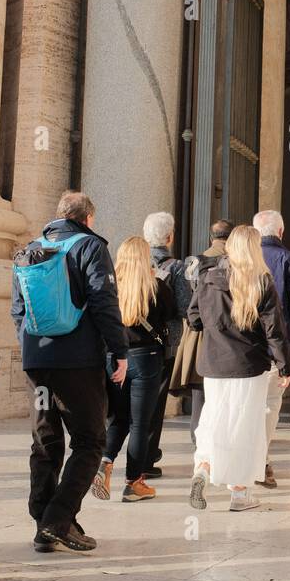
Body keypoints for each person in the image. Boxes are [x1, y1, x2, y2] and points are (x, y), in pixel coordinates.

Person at [12, 190, 128, 554]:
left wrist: (32, 346)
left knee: (45, 442)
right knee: (91, 441)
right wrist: (120, 351)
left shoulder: (28, 249)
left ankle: (43, 522)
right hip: (78, 362)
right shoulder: (90, 247)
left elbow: (18, 309)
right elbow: (103, 301)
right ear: (87, 218)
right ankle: (57, 520)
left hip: (37, 361)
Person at [187, 225, 290, 512]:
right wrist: (285, 365)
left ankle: (204, 468)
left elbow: (193, 316)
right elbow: (274, 330)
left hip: (213, 361)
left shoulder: (208, 277)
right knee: (246, 425)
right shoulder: (261, 281)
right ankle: (240, 493)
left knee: (214, 416)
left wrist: (215, 329)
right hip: (249, 363)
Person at [92, 237, 176, 503]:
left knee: (118, 418)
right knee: (140, 423)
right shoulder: (157, 288)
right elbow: (173, 323)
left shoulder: (108, 288)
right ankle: (134, 483)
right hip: (146, 358)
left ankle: (105, 463)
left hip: (113, 358)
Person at [253, 209, 290, 488]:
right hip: (277, 344)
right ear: (280, 232)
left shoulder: (241, 259)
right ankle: (260, 461)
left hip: (243, 345)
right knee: (269, 405)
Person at [142, 211, 192, 477]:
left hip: (130, 341)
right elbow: (185, 308)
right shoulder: (177, 267)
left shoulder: (132, 260)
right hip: (164, 342)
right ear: (170, 237)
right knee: (154, 401)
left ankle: (127, 453)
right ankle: (147, 457)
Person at [183, 220, 233, 447]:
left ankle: (198, 437)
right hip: (227, 331)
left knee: (200, 390)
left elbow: (188, 301)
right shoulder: (236, 262)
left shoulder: (195, 261)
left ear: (211, 237)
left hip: (199, 332)